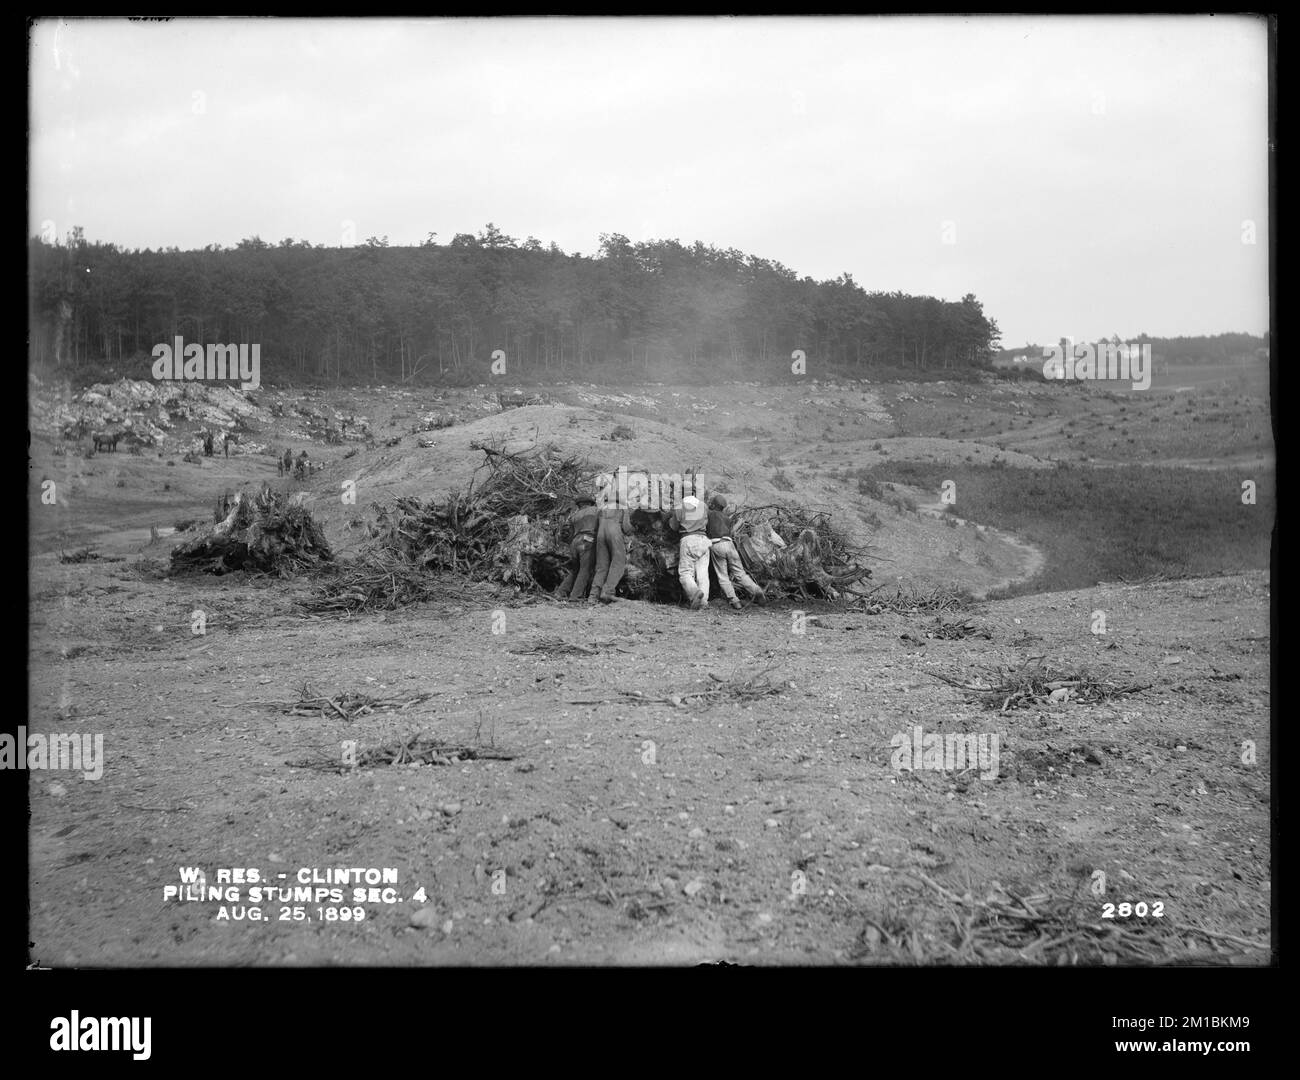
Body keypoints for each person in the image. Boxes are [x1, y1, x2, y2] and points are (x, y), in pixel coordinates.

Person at [706, 494, 766, 609]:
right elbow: (731, 532)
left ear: (713, 505)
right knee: (740, 573)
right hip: (730, 544)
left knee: (723, 576)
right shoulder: (727, 519)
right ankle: (756, 590)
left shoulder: (710, 514)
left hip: (717, 544)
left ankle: (735, 601)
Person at [668, 493, 711, 609]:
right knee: (703, 574)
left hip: (689, 539)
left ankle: (694, 592)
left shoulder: (679, 506)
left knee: (685, 573)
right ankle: (703, 603)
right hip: (704, 540)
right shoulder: (703, 506)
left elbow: (674, 527)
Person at [554, 495, 599, 601]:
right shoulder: (595, 510)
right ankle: (575, 596)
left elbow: (568, 532)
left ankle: (560, 592)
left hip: (574, 543)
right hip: (587, 540)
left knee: (576, 570)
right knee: (585, 570)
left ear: (579, 505)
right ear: (591, 503)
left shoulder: (575, 515)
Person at [588, 501, 634, 604]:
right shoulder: (622, 506)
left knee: (601, 566)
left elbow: (594, 526)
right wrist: (633, 530)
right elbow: (626, 527)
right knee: (618, 562)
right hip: (614, 532)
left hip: (600, 534)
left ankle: (593, 595)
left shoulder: (601, 508)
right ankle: (608, 591)